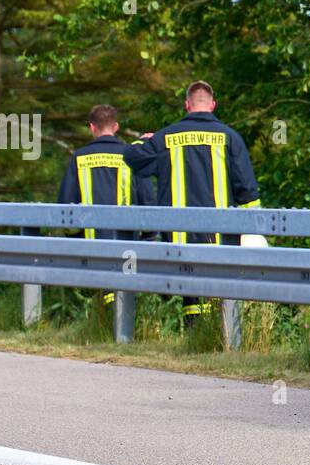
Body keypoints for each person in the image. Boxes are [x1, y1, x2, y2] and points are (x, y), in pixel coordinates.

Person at [125, 81, 261, 323]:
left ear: (187, 104)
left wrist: (144, 140)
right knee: (217, 288)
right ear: (213, 104)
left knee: (190, 293)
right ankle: (217, 336)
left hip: (179, 235)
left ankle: (195, 334)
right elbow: (247, 191)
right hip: (221, 235)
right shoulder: (230, 137)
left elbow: (133, 159)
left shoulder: (165, 138)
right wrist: (254, 229)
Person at [58, 103, 137, 307]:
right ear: (116, 126)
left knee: (103, 293)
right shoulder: (130, 155)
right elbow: (147, 200)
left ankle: (104, 325)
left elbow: (65, 207)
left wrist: (75, 237)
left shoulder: (79, 158)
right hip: (127, 244)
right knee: (123, 291)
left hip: (92, 244)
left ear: (92, 127)